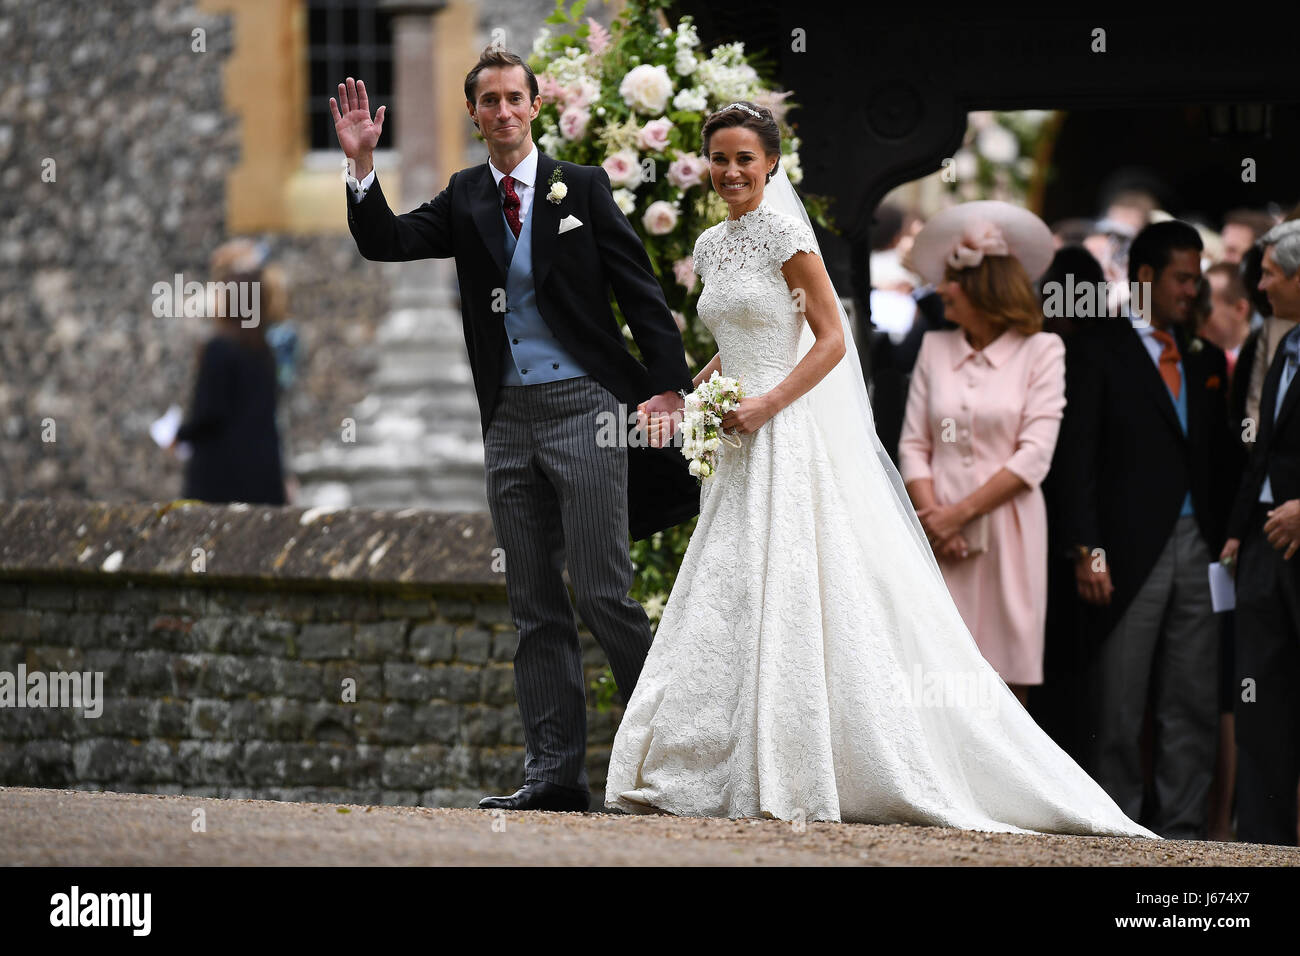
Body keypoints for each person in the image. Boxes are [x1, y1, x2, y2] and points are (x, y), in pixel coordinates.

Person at [603, 102, 1158, 838]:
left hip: (783, 430)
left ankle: (805, 759)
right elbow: (735, 341)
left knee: (795, 584)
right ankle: (706, 762)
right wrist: (696, 393)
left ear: (771, 163)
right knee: (729, 585)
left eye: (745, 158)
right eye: (719, 158)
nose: (731, 171)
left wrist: (766, 404)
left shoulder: (785, 234)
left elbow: (831, 341)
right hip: (737, 439)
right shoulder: (709, 246)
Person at [333, 48, 699, 812]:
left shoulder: (584, 188)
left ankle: (675, 757)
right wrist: (363, 167)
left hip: (587, 411)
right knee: (535, 604)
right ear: (473, 115)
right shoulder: (467, 196)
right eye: (488, 101)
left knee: (603, 592)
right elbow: (386, 241)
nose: (502, 111)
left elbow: (640, 292)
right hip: (506, 421)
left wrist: (666, 388)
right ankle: (554, 775)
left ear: (534, 107)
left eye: (513, 98)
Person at [1054, 220, 1241, 840]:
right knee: (1120, 699)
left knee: (1189, 699)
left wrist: (1229, 540)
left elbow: (1222, 461)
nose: (1194, 290)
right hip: (1125, 551)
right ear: (1145, 277)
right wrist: (1088, 549)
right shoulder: (1095, 347)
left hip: (1201, 550)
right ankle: (1119, 829)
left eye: (1198, 278)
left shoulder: (1207, 356)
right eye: (1184, 278)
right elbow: (1075, 458)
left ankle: (1184, 830)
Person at [898, 202, 1064, 708]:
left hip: (1009, 531)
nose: (943, 289)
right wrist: (935, 521)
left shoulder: (1043, 351)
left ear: (982, 288)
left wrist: (958, 518)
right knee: (940, 675)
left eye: (953, 280)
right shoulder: (934, 349)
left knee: (1007, 671)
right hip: (937, 533)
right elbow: (913, 444)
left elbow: (1034, 454)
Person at [1219, 220, 1300, 846]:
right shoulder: (1286, 344)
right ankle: (1263, 846)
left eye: (1271, 273)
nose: (1262, 285)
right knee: (1261, 702)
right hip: (1265, 551)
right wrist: (1239, 531)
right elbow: (1263, 452)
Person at [169, 239, 288, 506]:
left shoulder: (220, 349)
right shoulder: (263, 350)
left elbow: (210, 413)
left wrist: (179, 435)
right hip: (261, 477)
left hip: (222, 480)